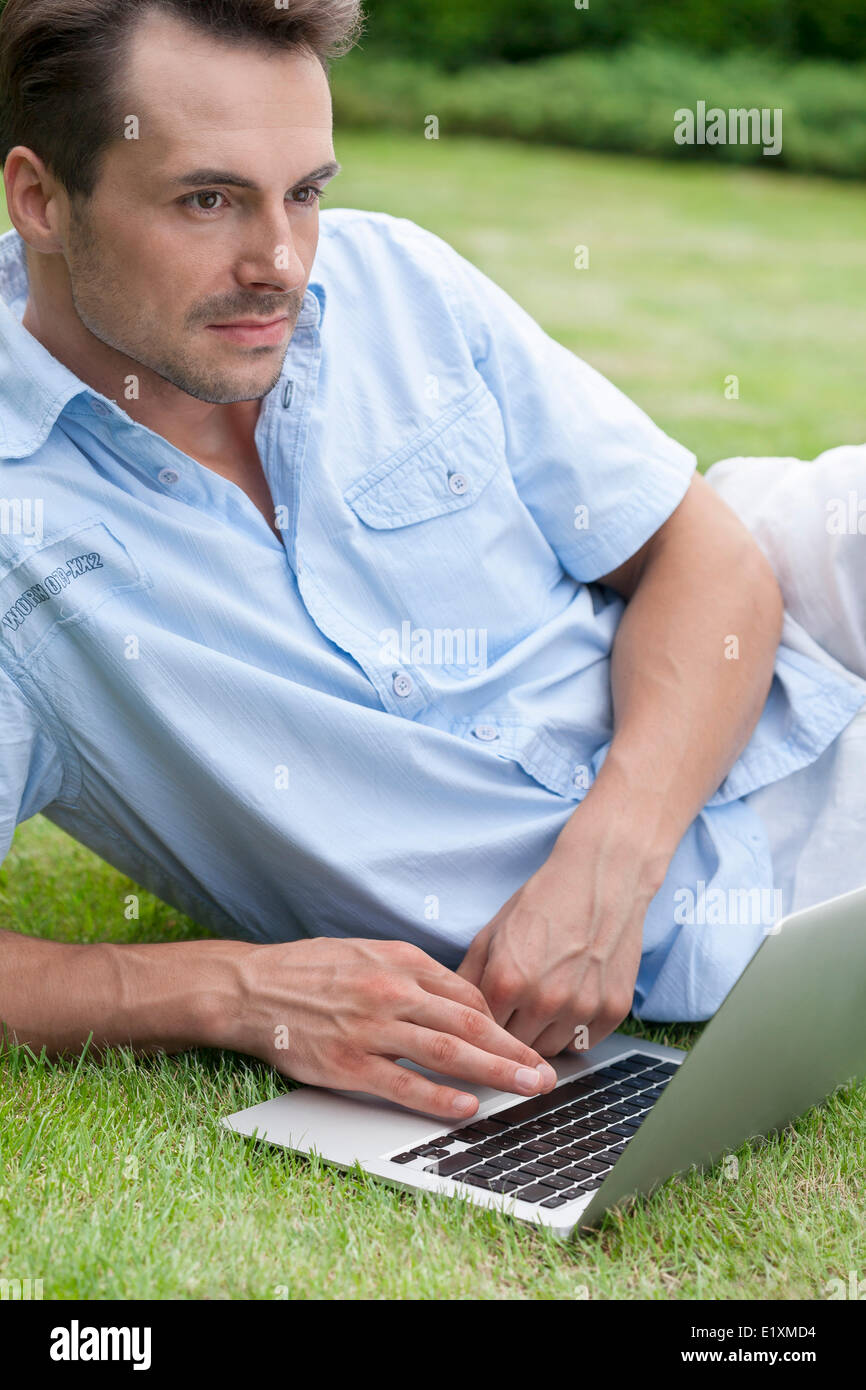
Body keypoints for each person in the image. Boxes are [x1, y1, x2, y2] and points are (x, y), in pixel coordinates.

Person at [1, 0, 863, 1122]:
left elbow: (701, 554)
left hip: (766, 638)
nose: (280, 263)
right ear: (41, 202)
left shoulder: (395, 279)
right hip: (798, 862)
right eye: (206, 199)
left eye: (304, 192)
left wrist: (612, 854)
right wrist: (225, 986)